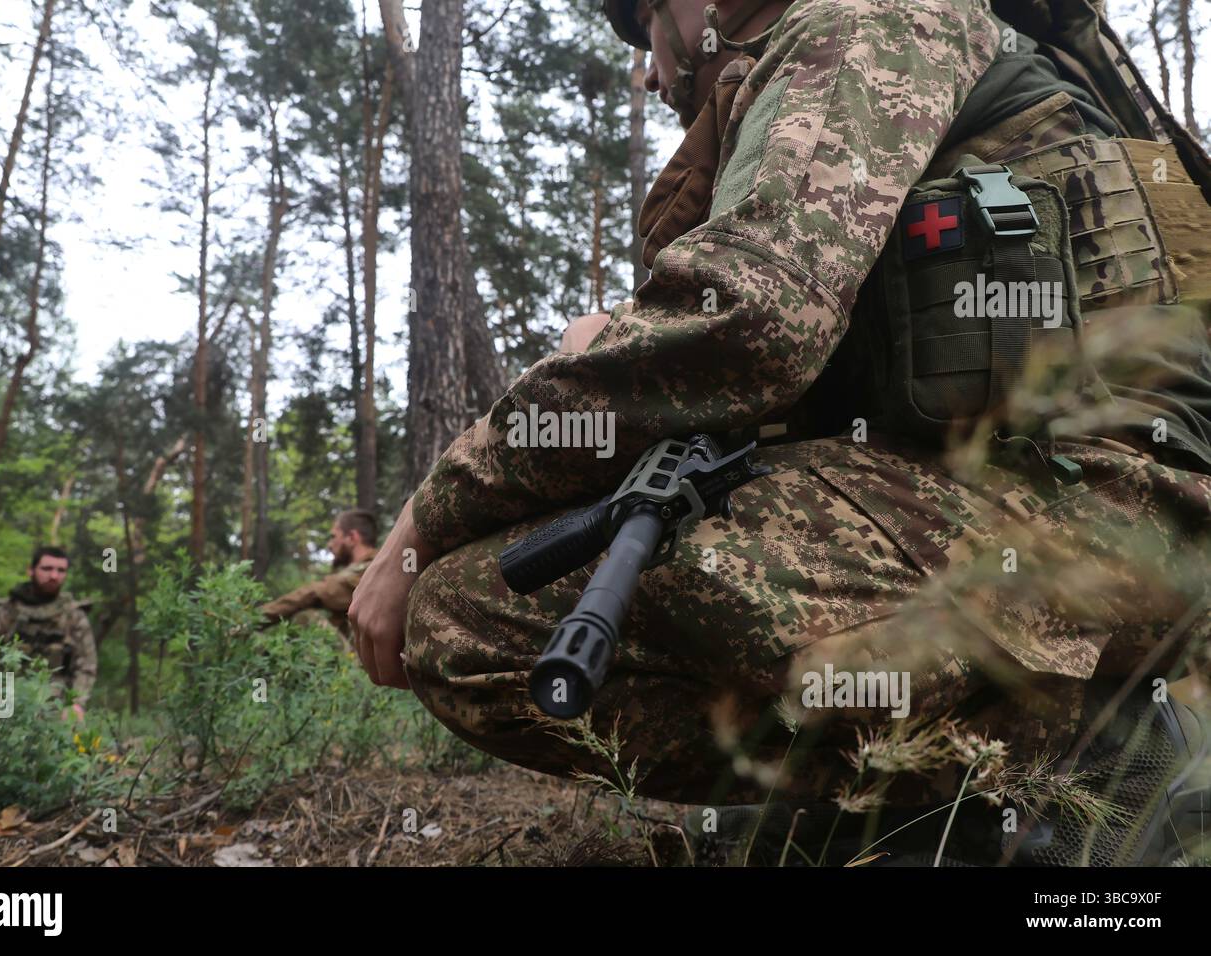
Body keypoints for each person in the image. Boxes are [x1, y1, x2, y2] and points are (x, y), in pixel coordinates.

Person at [351, 0, 1211, 865]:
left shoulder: (867, 18)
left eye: (638, 26)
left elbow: (748, 321)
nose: (647, 71)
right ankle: (906, 806)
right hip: (1073, 505)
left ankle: (1080, 766)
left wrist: (425, 521)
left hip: (1100, 512)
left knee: (460, 616)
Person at [0, 546, 97, 718]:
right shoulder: (6, 613)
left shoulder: (74, 617)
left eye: (61, 570)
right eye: (47, 569)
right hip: (6, 701)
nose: (54, 576)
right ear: (31, 571)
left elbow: (86, 666)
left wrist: (75, 703)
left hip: (54, 705)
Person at [261, 509, 379, 648]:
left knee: (306, 618)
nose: (329, 545)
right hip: (362, 655)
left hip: (362, 662)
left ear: (352, 537)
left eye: (334, 537)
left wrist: (255, 618)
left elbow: (315, 592)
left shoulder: (371, 570)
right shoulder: (371, 567)